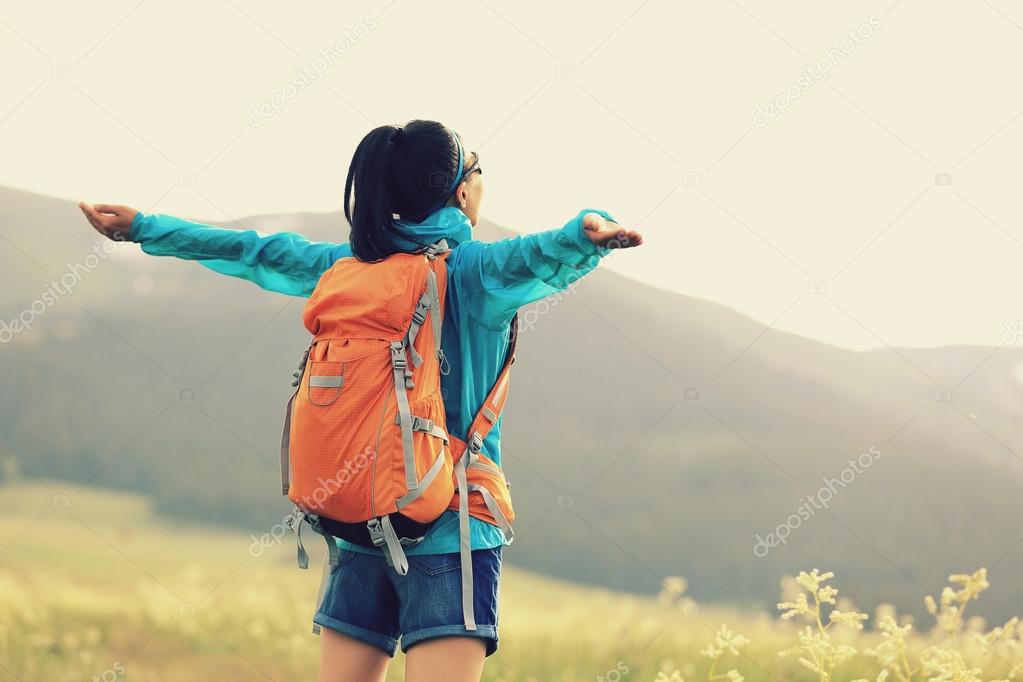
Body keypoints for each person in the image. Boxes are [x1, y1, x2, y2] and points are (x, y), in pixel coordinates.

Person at [80, 119, 644, 682]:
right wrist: (585, 234)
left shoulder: (345, 269)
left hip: (361, 516)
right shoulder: (474, 273)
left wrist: (148, 228)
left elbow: (256, 252)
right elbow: (538, 255)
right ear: (461, 191)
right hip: (452, 525)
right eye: (477, 167)